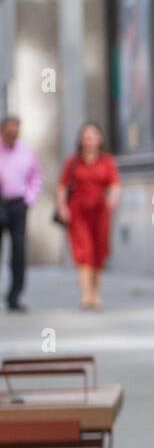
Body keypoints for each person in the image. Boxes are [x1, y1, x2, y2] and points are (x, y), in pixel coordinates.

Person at [57, 123, 120, 311]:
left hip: (100, 212)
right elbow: (62, 186)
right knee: (84, 252)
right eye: (86, 138)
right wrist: (62, 207)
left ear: (100, 139)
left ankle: (95, 293)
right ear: (81, 141)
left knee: (99, 252)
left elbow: (115, 184)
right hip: (78, 212)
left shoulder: (107, 161)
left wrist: (113, 198)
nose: (89, 141)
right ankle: (86, 294)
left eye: (93, 137)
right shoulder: (73, 162)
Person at [0, 115, 43, 313]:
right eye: (10, 129)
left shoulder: (26, 152)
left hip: (18, 204)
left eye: (16, 130)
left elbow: (36, 176)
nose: (13, 133)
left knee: (18, 250)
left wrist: (29, 199)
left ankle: (14, 297)